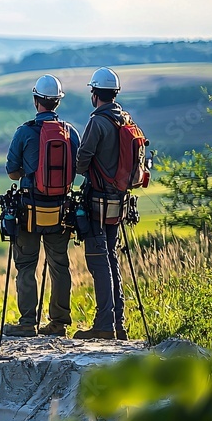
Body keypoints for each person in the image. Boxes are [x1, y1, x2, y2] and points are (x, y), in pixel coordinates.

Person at [3, 74, 80, 337]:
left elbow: (12, 171)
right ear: (57, 102)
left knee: (26, 265)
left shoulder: (24, 132)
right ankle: (58, 323)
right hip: (61, 211)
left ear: (36, 101)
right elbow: (77, 168)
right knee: (59, 266)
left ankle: (27, 323)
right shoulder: (71, 132)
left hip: (29, 211)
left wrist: (30, 173)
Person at [75, 67, 129, 340]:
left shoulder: (97, 122)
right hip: (119, 201)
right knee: (112, 258)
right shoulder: (124, 119)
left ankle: (104, 325)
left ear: (95, 93)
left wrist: (80, 167)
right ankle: (118, 324)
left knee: (99, 262)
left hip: (97, 202)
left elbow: (82, 161)